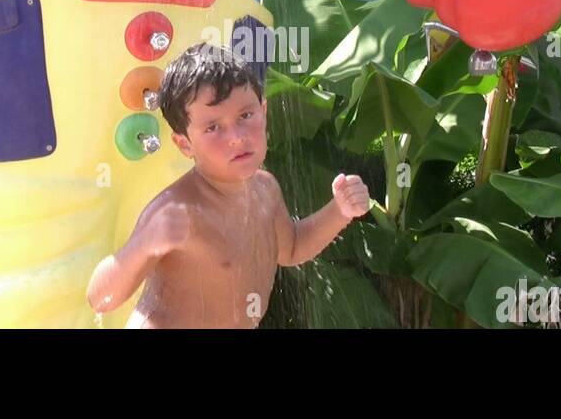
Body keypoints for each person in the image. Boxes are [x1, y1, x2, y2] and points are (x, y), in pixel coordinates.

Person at [86, 44, 371, 328]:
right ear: (185, 144)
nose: (236, 137)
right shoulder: (176, 210)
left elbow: (291, 248)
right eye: (213, 128)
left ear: (263, 111)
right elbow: (101, 299)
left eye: (245, 116)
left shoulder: (266, 190)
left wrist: (339, 211)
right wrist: (143, 244)